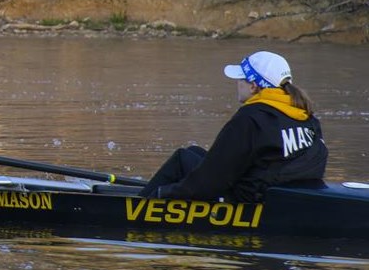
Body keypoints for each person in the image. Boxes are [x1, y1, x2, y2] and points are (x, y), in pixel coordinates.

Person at [140, 51, 328, 201]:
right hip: (284, 192)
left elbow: (208, 183)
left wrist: (165, 193)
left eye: (240, 79)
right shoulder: (305, 114)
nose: (237, 83)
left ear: (254, 86)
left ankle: (138, 203)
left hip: (251, 199)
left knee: (182, 159)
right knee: (194, 153)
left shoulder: (250, 118)